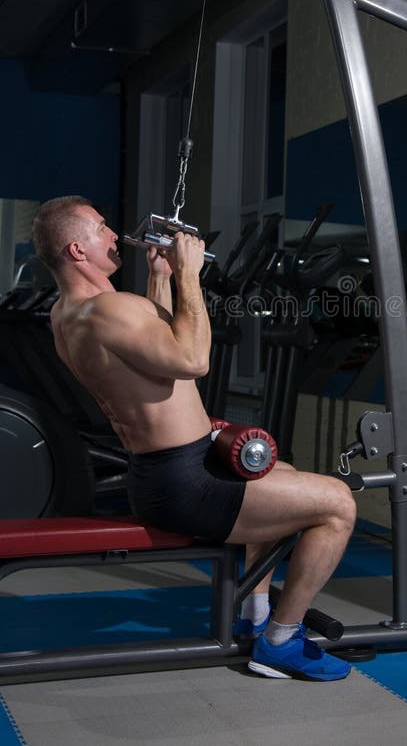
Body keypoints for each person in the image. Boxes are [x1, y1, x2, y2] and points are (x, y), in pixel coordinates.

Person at [32, 195, 356, 682]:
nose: (115, 235)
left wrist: (161, 278)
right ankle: (281, 643)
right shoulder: (107, 310)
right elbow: (191, 362)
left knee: (280, 474)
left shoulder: (70, 313)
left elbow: (155, 354)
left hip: (166, 472)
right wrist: (188, 276)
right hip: (185, 481)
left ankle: (256, 616)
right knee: (337, 503)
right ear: (78, 250)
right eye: (102, 229)